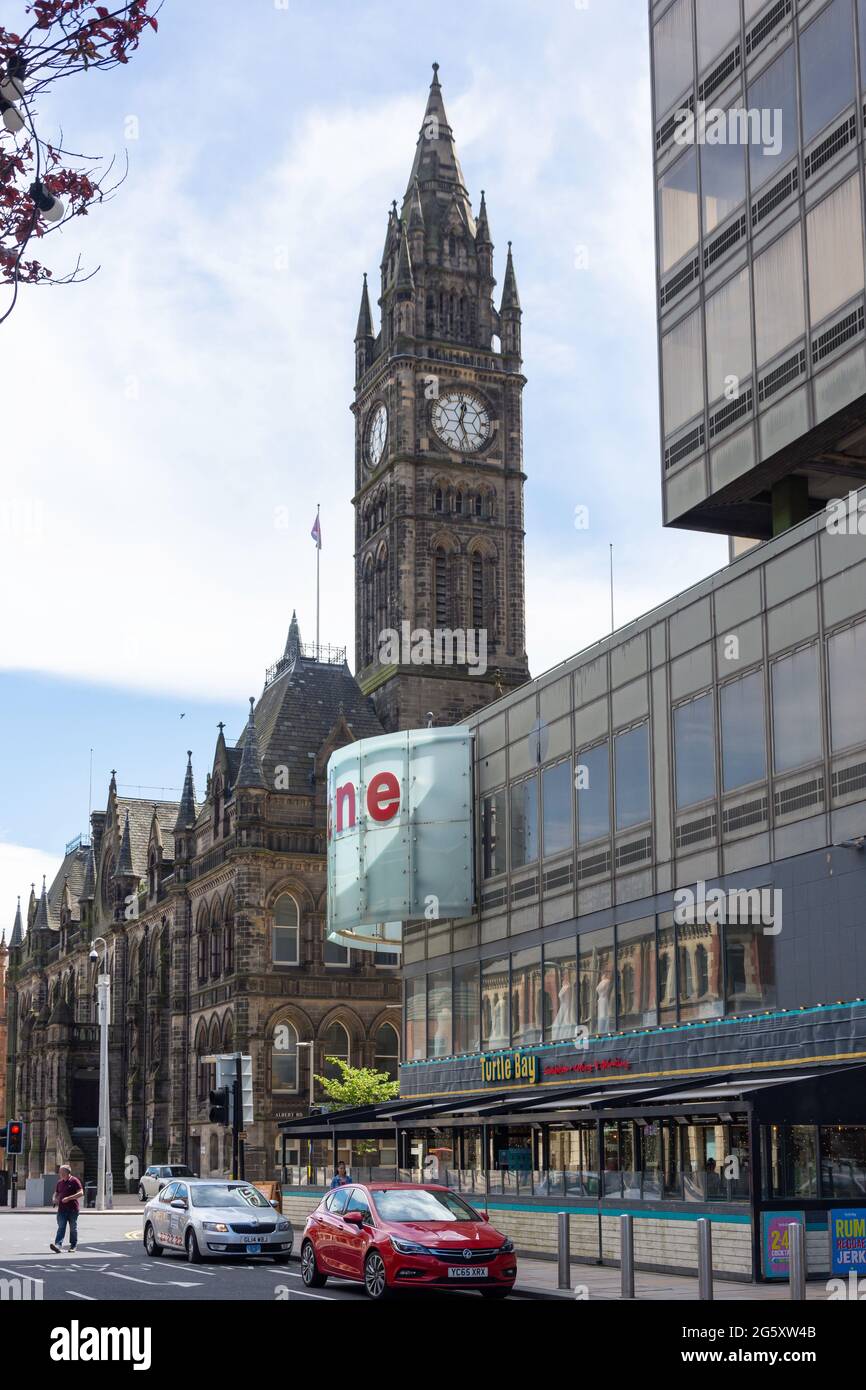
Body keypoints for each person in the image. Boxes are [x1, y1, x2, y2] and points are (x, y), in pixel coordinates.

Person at [50, 1164, 83, 1253]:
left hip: (73, 1209)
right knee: (61, 1227)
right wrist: (54, 1199)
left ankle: (73, 1246)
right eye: (60, 1172)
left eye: (61, 1172)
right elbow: (56, 1193)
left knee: (73, 1228)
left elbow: (81, 1193)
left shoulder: (75, 1181)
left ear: (67, 1172)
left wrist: (69, 1198)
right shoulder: (59, 1182)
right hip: (62, 1209)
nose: (60, 1173)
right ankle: (58, 1245)